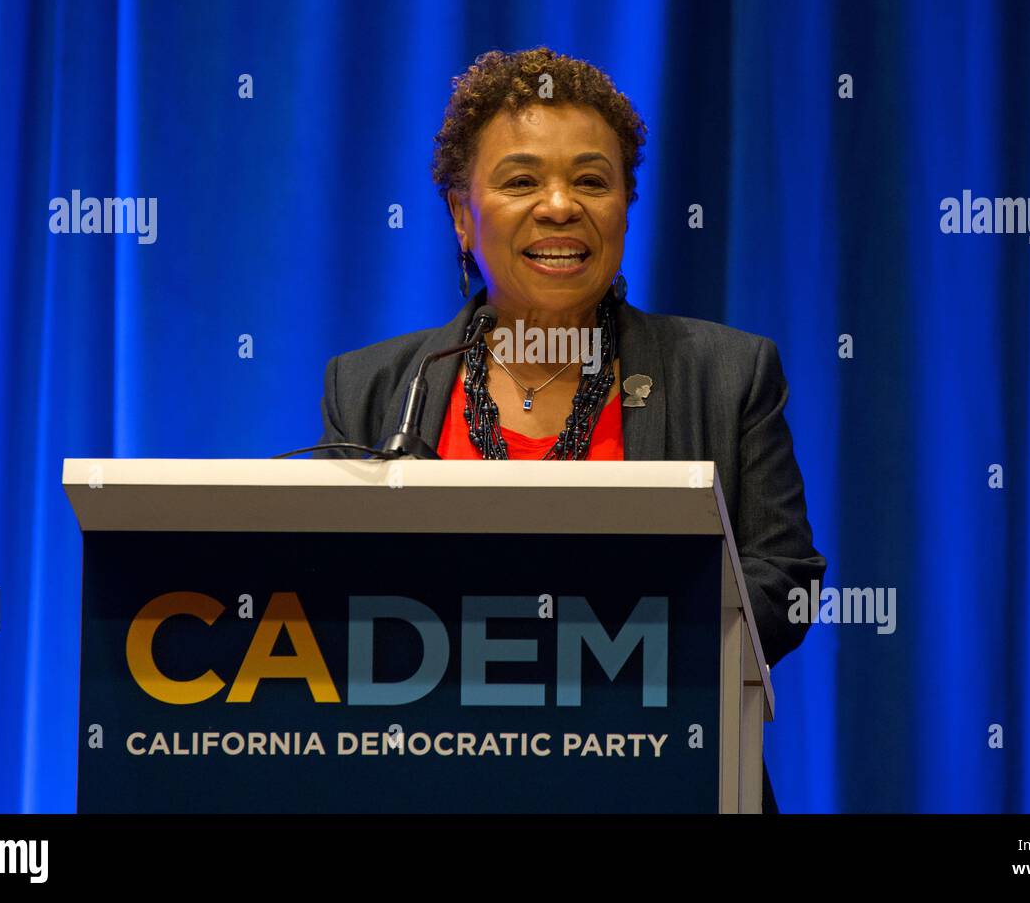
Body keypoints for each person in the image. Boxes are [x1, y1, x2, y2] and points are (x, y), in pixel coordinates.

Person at [315, 47, 826, 812]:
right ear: (462, 214)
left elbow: (785, 578)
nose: (560, 205)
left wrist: (596, 648)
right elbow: (325, 591)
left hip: (665, 776)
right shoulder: (374, 388)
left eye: (592, 180)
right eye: (521, 180)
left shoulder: (726, 374)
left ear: (625, 205)